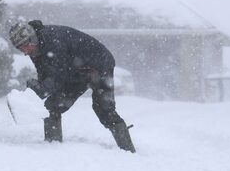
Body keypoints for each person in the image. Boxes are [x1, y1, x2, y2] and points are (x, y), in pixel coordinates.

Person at [9, 20, 136, 153]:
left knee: (104, 109)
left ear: (31, 39)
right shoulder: (35, 49)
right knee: (53, 105)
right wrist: (36, 91)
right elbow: (45, 73)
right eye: (20, 49)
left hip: (99, 65)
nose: (24, 52)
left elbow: (57, 77)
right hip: (75, 70)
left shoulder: (53, 42)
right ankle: (52, 147)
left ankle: (127, 150)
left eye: (24, 47)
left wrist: (38, 91)